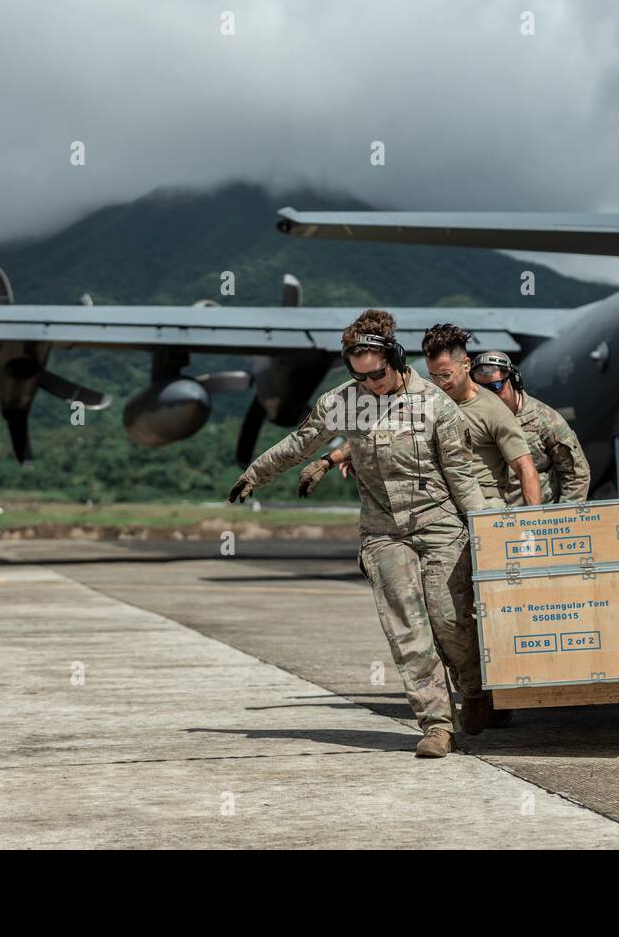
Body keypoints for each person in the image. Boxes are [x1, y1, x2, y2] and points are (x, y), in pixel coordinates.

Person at [230, 309, 488, 758]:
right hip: (383, 530)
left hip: (439, 522)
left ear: (396, 356)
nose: (371, 384)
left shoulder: (435, 404)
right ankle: (436, 725)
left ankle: (475, 685)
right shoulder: (343, 402)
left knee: (450, 622)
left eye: (378, 374)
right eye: (361, 377)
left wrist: (486, 530)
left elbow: (462, 476)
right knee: (406, 628)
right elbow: (301, 441)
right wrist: (256, 474)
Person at [303, 324, 540, 731]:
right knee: (420, 620)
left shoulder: (490, 409)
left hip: (478, 506)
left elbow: (523, 465)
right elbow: (375, 433)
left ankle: (480, 689)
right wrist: (332, 458)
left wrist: (530, 528)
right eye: (434, 375)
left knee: (452, 620)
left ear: (466, 366)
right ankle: (449, 708)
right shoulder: (421, 402)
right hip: (425, 511)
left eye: (446, 374)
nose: (440, 382)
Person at [469, 351, 591, 504]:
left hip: (535, 519)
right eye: (481, 390)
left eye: (496, 387)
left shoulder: (544, 419)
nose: (490, 397)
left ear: (513, 381)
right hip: (492, 517)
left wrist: (564, 518)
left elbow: (576, 475)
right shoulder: (471, 420)